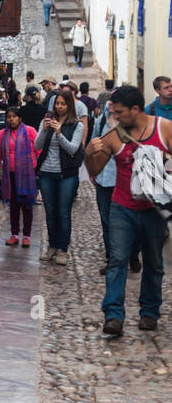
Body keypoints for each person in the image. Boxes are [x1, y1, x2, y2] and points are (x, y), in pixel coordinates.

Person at [86, 85, 172, 335]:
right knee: (118, 260)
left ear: (135, 110)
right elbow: (94, 171)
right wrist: (89, 155)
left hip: (153, 209)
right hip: (122, 207)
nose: (116, 117)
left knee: (154, 262)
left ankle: (149, 312)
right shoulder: (114, 135)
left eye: (120, 113)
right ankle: (113, 316)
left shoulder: (163, 128)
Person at [33, 88, 88, 265]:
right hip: (47, 173)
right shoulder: (49, 121)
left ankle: (63, 249)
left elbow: (73, 148)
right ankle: (52, 246)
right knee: (50, 213)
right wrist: (43, 129)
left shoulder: (77, 125)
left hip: (66, 175)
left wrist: (59, 134)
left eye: (63, 104)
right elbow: (37, 145)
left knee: (63, 213)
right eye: (57, 103)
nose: (60, 107)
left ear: (69, 105)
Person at [89, 104, 142, 276]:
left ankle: (133, 254)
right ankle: (112, 258)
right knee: (107, 221)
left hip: (124, 179)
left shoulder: (132, 122)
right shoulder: (102, 119)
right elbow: (94, 142)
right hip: (104, 179)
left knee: (129, 220)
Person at [0, 106, 37, 247]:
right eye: (8, 117)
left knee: (27, 205)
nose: (11, 120)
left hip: (26, 175)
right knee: (13, 205)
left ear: (20, 118)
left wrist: (35, 167)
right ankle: (14, 234)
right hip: (9, 175)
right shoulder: (2, 134)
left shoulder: (30, 132)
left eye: (14, 116)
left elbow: (38, 149)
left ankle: (26, 235)